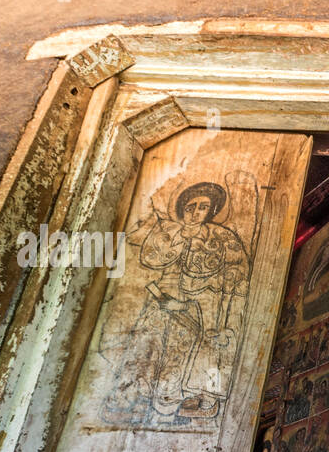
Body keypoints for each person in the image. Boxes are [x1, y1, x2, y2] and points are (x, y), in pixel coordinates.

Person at [104, 182, 252, 424]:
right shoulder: (168, 233)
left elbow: (231, 279)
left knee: (179, 344)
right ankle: (131, 398)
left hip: (195, 308)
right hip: (162, 302)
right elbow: (149, 266)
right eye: (191, 207)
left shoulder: (221, 238)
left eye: (203, 207)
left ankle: (168, 404)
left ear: (212, 211)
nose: (195, 212)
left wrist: (185, 306)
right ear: (182, 209)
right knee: (145, 340)